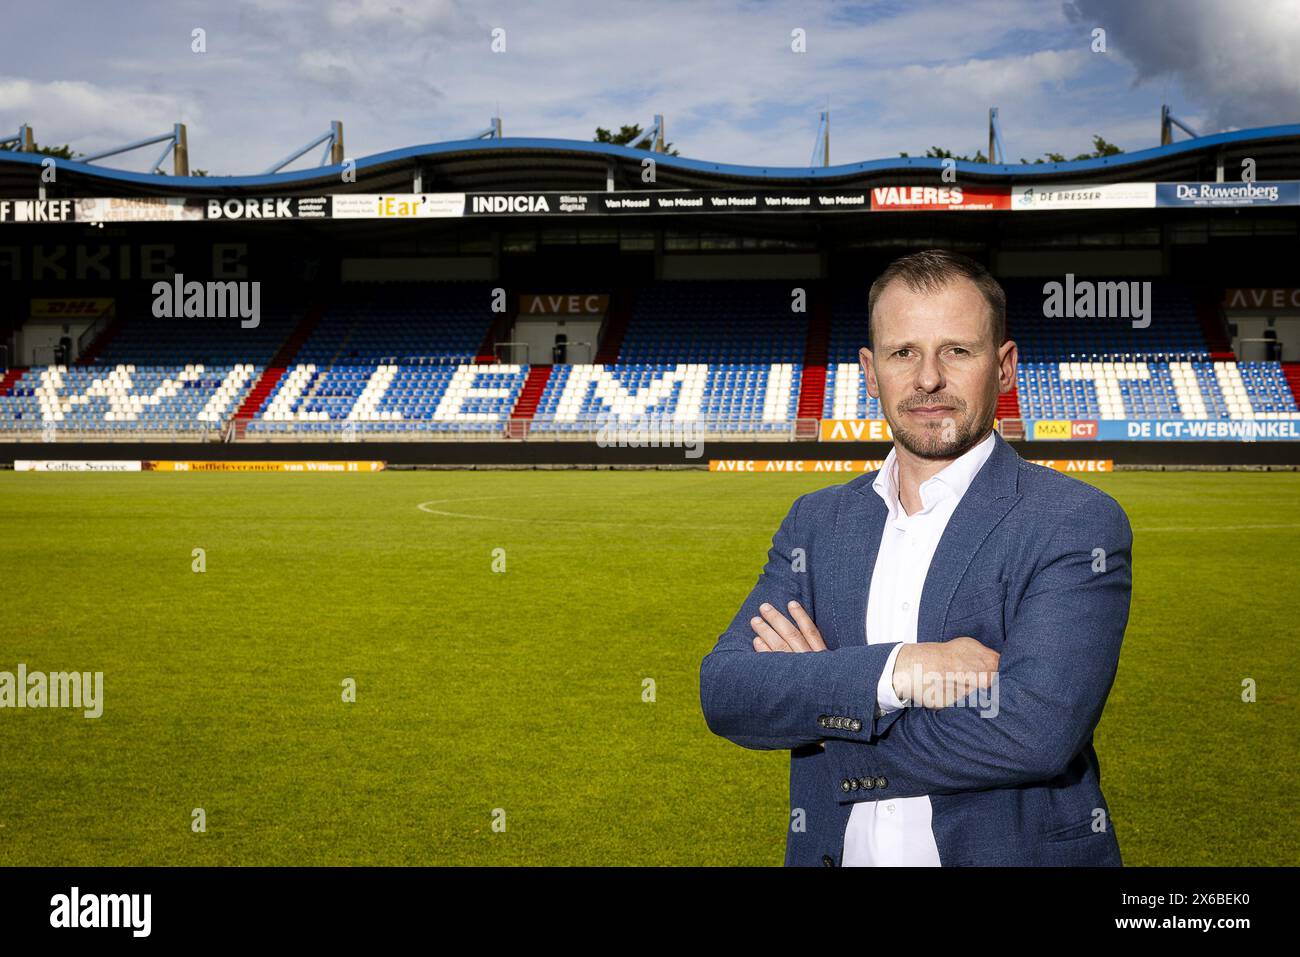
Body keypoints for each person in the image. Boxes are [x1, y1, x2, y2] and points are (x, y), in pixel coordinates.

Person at [699, 249, 1133, 866]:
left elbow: (1033, 732)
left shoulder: (1073, 521)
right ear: (870, 374)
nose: (928, 378)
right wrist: (901, 671)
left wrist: (826, 708)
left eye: (957, 350)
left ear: (1004, 366)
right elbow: (727, 689)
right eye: (904, 353)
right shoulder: (818, 521)